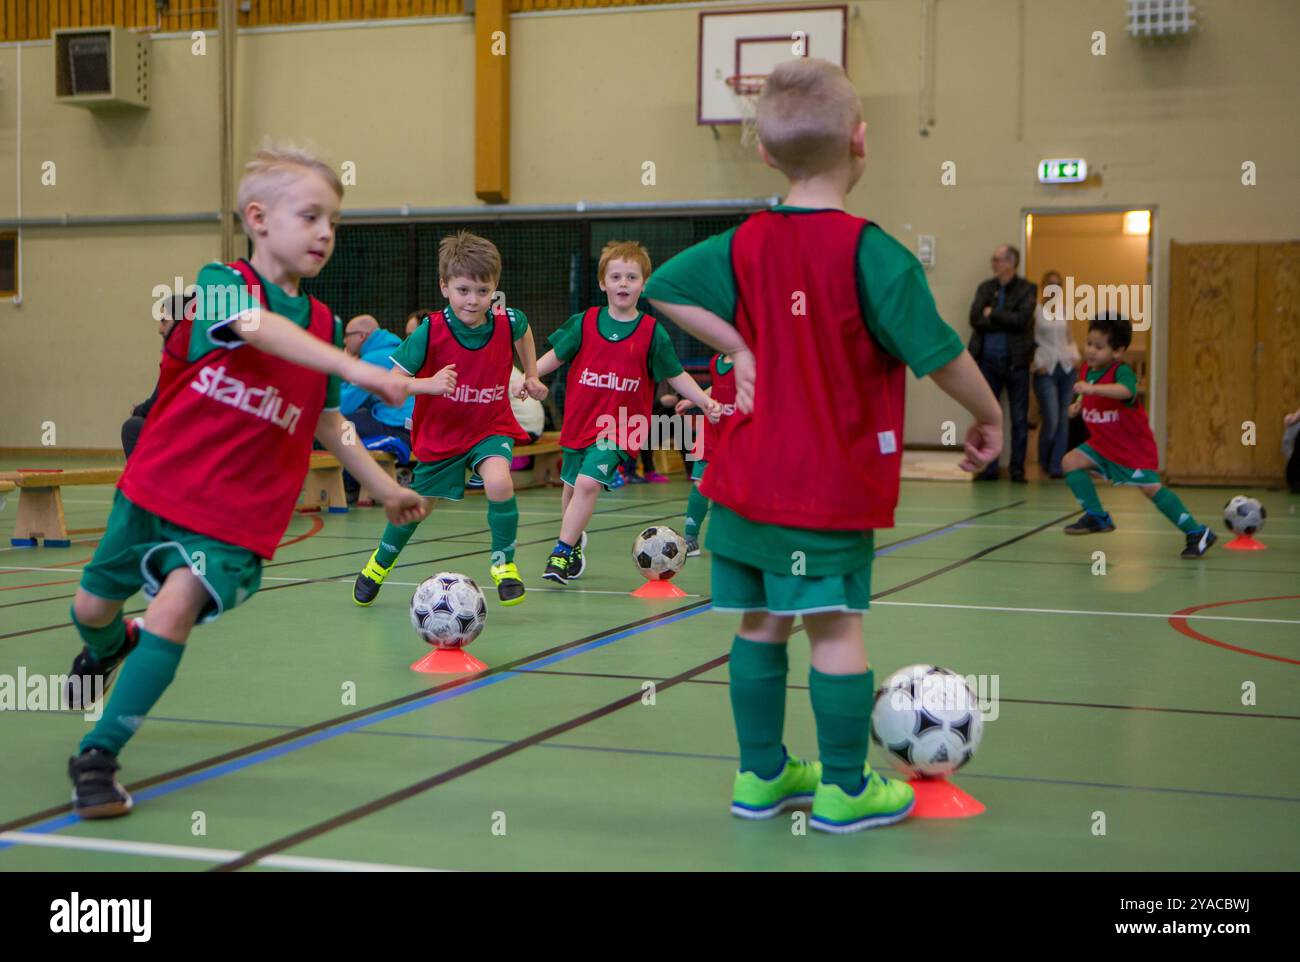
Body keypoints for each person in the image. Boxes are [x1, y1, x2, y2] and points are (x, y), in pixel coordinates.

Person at [645, 58, 1002, 834]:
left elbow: (660, 285)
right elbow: (940, 354)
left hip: (741, 481)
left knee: (759, 624)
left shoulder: (741, 245)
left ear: (766, 155)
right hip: (825, 490)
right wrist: (990, 415)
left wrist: (737, 345)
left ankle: (762, 776)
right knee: (835, 626)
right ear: (862, 141)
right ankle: (844, 787)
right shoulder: (874, 254)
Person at [64, 145, 435, 818]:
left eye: (335, 221)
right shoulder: (221, 282)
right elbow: (254, 329)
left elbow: (328, 425)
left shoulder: (323, 326)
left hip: (238, 515)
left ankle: (98, 755)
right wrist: (361, 371)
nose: (325, 232)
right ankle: (110, 644)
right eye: (311, 215)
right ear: (259, 219)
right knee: (91, 608)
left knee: (173, 608)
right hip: (159, 486)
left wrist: (383, 488)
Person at [351, 231, 547, 608]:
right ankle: (380, 563)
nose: (473, 300)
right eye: (463, 290)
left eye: (482, 290)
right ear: (444, 287)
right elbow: (392, 384)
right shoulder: (431, 332)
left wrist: (533, 374)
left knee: (499, 481)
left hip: (490, 426)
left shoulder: (507, 321)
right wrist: (429, 383)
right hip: (443, 436)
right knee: (418, 510)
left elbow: (524, 332)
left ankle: (503, 564)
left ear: (494, 289)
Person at [533, 240, 719, 585]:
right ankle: (573, 544)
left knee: (588, 482)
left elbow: (675, 374)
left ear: (643, 284)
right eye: (615, 276)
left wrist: (703, 400)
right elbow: (556, 356)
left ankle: (560, 552)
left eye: (631, 277)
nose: (623, 283)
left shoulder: (652, 333)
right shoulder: (585, 322)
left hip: (623, 426)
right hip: (580, 421)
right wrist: (529, 376)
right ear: (602, 282)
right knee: (572, 488)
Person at [1062, 314, 1216, 558]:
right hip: (1102, 445)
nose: (1091, 351)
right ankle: (1097, 516)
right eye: (1089, 343)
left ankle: (1197, 531)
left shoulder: (1121, 372)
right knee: (1070, 461)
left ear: (1118, 351)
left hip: (1130, 448)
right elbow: (1088, 394)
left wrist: (1091, 389)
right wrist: (1078, 404)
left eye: (1099, 347)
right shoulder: (1088, 370)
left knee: (1151, 489)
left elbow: (1125, 391)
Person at [968, 244, 1036, 482]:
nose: (993, 264)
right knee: (988, 415)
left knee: (1019, 417)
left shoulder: (1027, 289)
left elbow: (1021, 320)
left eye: (997, 260)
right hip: (987, 362)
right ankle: (988, 468)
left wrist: (993, 313)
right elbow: (975, 318)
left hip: (1016, 362)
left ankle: (1017, 470)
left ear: (1011, 262)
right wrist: (1001, 316)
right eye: (993, 259)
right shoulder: (986, 288)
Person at [677, 353, 737, 556]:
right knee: (699, 484)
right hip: (712, 432)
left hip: (737, 433)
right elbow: (718, 387)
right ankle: (691, 538)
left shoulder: (751, 361)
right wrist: (693, 400)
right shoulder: (715, 361)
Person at [121, 294, 192, 458]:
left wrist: (138, 410)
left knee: (132, 427)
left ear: (181, 323)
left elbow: (157, 403)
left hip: (190, 436)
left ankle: (145, 483)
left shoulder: (181, 357)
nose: (159, 328)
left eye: (164, 321)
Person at [1031, 270, 1080, 478]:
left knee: (1063, 418)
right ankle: (1044, 459)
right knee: (1051, 418)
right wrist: (1035, 362)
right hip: (1045, 369)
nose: (1054, 289)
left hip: (1066, 368)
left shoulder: (1064, 310)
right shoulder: (1035, 311)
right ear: (1043, 286)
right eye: (1050, 284)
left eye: (1058, 285)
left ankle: (1056, 466)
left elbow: (1069, 338)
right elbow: (1029, 339)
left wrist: (1076, 356)